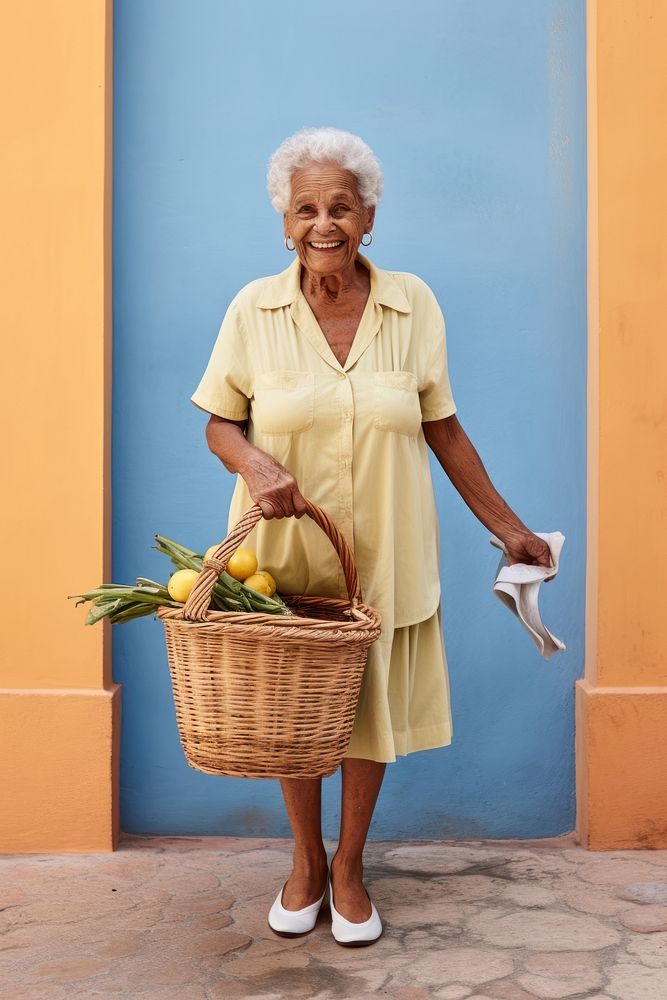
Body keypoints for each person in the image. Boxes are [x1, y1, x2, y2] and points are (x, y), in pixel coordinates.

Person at [191, 126, 552, 945]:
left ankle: (349, 866)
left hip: (384, 548)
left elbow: (443, 427)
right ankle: (304, 862)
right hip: (284, 550)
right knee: (293, 705)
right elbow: (219, 422)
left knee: (366, 704)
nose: (325, 224)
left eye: (342, 208)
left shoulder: (411, 303)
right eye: (307, 208)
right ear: (285, 221)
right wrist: (253, 464)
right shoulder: (255, 306)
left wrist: (509, 528)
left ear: (369, 217)